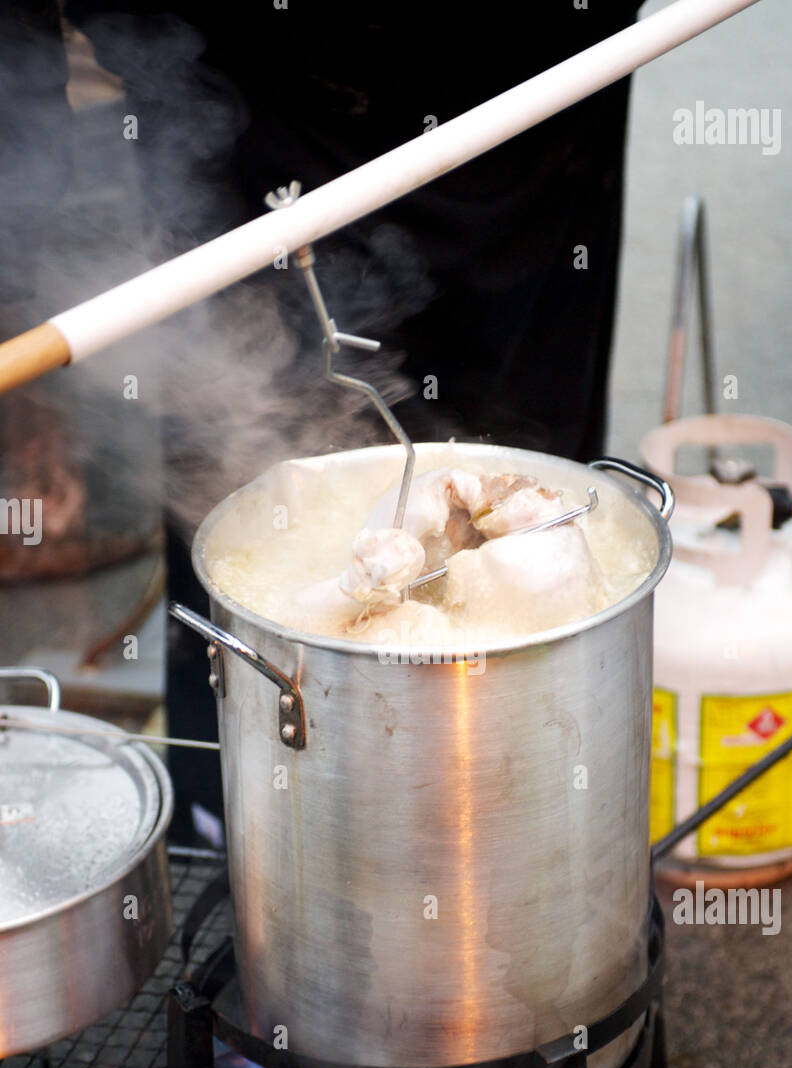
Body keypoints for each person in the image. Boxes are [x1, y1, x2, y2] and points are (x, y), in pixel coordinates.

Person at [11, 1, 644, 840]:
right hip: (245, 93)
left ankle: (527, 816)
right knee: (232, 457)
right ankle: (235, 830)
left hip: (536, 101)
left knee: (527, 471)